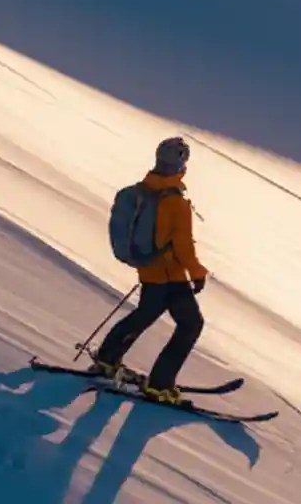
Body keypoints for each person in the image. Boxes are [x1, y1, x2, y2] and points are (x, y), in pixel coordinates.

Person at [94, 136, 208, 403]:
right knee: (191, 324)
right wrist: (197, 272)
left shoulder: (141, 193)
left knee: (145, 314)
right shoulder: (175, 202)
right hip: (171, 275)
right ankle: (160, 385)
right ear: (181, 166)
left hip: (148, 271)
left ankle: (107, 360)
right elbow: (182, 244)